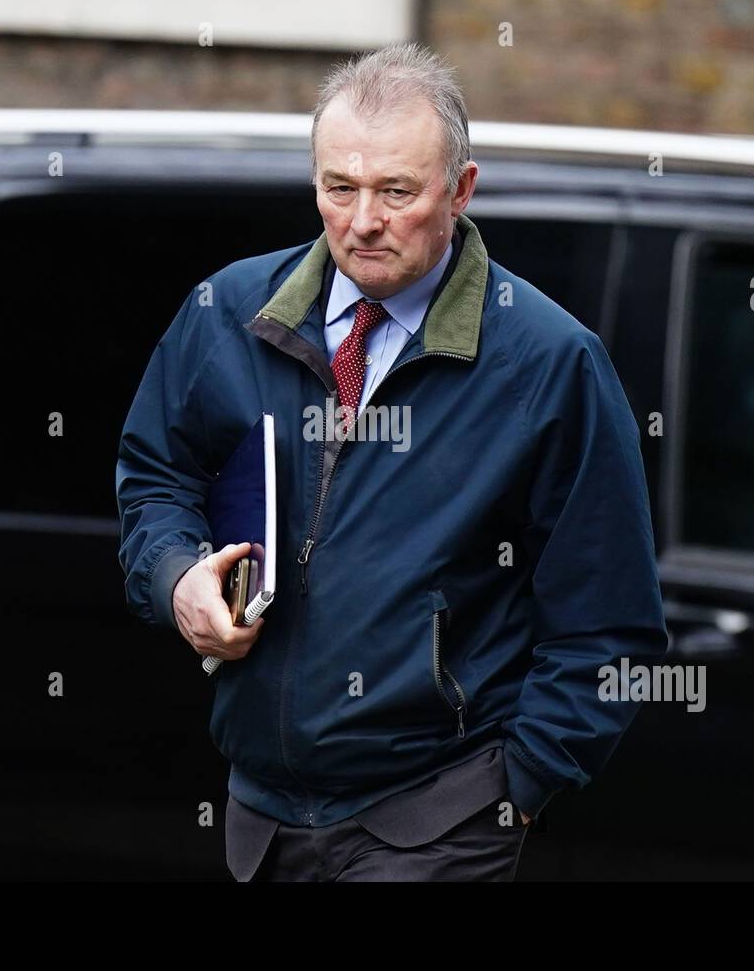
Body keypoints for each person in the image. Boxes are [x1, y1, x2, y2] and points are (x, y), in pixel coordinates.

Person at [117, 43, 667, 881]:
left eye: (397, 192)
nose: (363, 219)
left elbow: (611, 623)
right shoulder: (227, 311)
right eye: (340, 187)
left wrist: (517, 787)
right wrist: (177, 580)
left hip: (437, 822)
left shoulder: (551, 364)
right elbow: (156, 481)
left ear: (462, 189)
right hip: (260, 816)